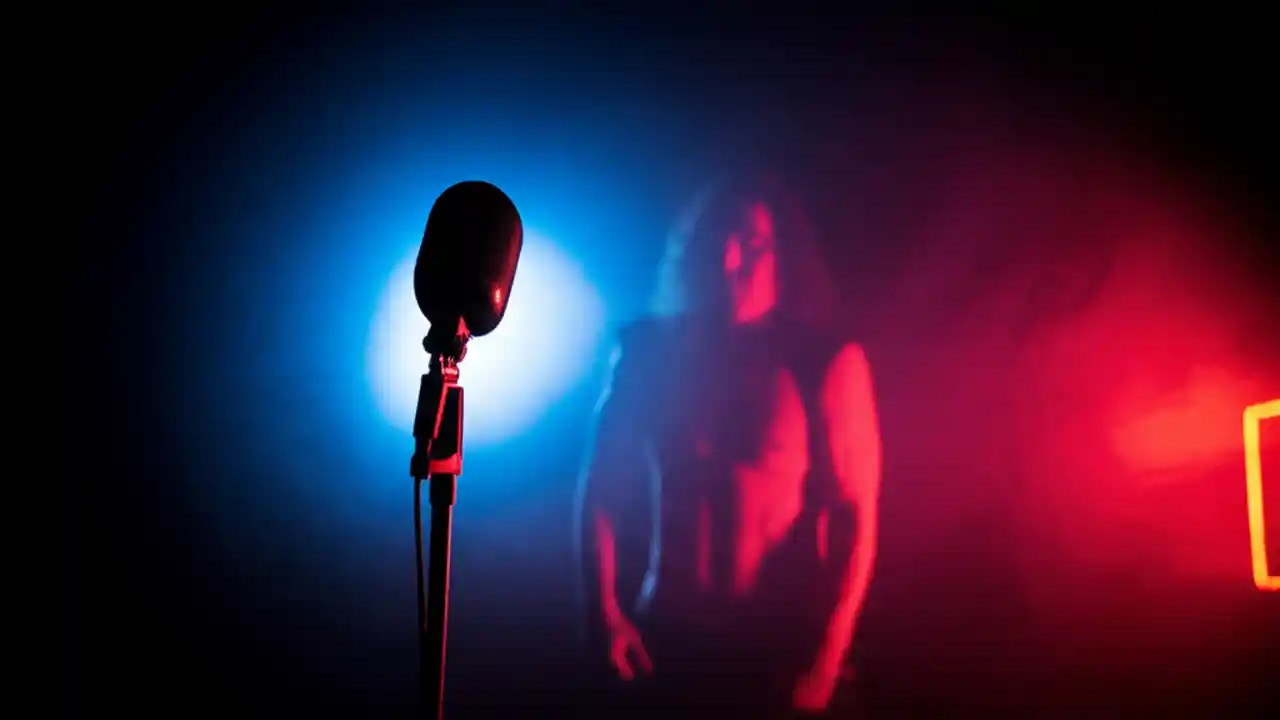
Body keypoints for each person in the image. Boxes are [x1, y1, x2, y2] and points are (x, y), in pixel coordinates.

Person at [576, 173, 882, 718]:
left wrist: (827, 659)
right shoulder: (649, 353)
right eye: (718, 241)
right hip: (667, 634)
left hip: (775, 645)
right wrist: (605, 614)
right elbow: (602, 488)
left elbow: (857, 519)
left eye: (752, 244)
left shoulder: (822, 364)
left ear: (782, 256)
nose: (730, 260)